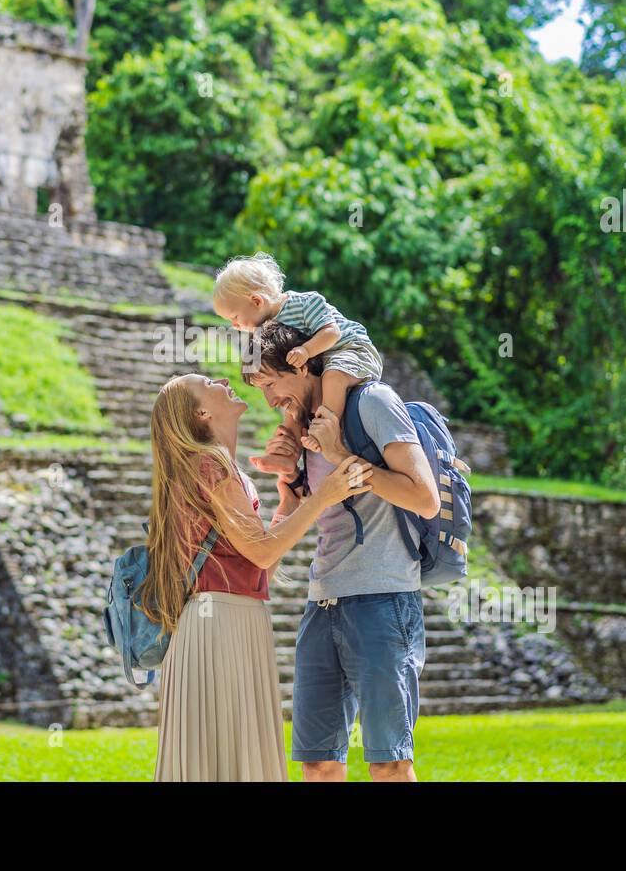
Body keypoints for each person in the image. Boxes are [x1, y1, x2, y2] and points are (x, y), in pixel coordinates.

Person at [146, 372, 372, 781]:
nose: (219, 379)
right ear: (201, 412)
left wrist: (287, 504)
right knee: (232, 758)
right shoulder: (211, 465)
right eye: (206, 382)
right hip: (223, 622)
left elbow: (259, 560)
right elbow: (264, 551)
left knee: (216, 759)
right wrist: (324, 496)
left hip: (223, 620)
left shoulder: (213, 467)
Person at [243, 321, 440, 782]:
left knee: (389, 763)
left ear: (304, 364)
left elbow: (424, 498)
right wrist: (288, 482)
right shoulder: (304, 427)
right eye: (260, 389)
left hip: (383, 598)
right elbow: (311, 508)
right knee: (320, 763)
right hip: (323, 601)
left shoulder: (372, 402)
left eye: (272, 383)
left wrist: (338, 452)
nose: (270, 400)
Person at [212, 252, 383, 465]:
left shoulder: (304, 303)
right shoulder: (266, 328)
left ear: (256, 301)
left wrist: (306, 350)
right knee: (291, 404)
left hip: (351, 348)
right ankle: (286, 456)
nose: (235, 326)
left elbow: (332, 333)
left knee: (333, 377)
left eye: (235, 318)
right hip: (323, 358)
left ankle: (328, 432)